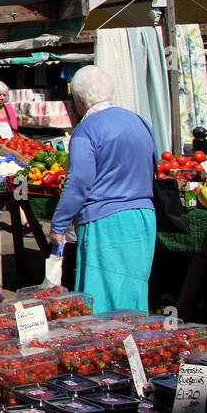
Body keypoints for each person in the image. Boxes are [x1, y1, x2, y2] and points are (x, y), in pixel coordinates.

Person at [47, 65, 156, 313]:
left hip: (105, 221)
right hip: (143, 218)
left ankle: (112, 348)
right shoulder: (141, 122)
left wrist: (59, 225)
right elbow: (153, 165)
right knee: (134, 290)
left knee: (103, 296)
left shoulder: (86, 130)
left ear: (80, 99)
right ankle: (137, 345)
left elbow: (79, 182)